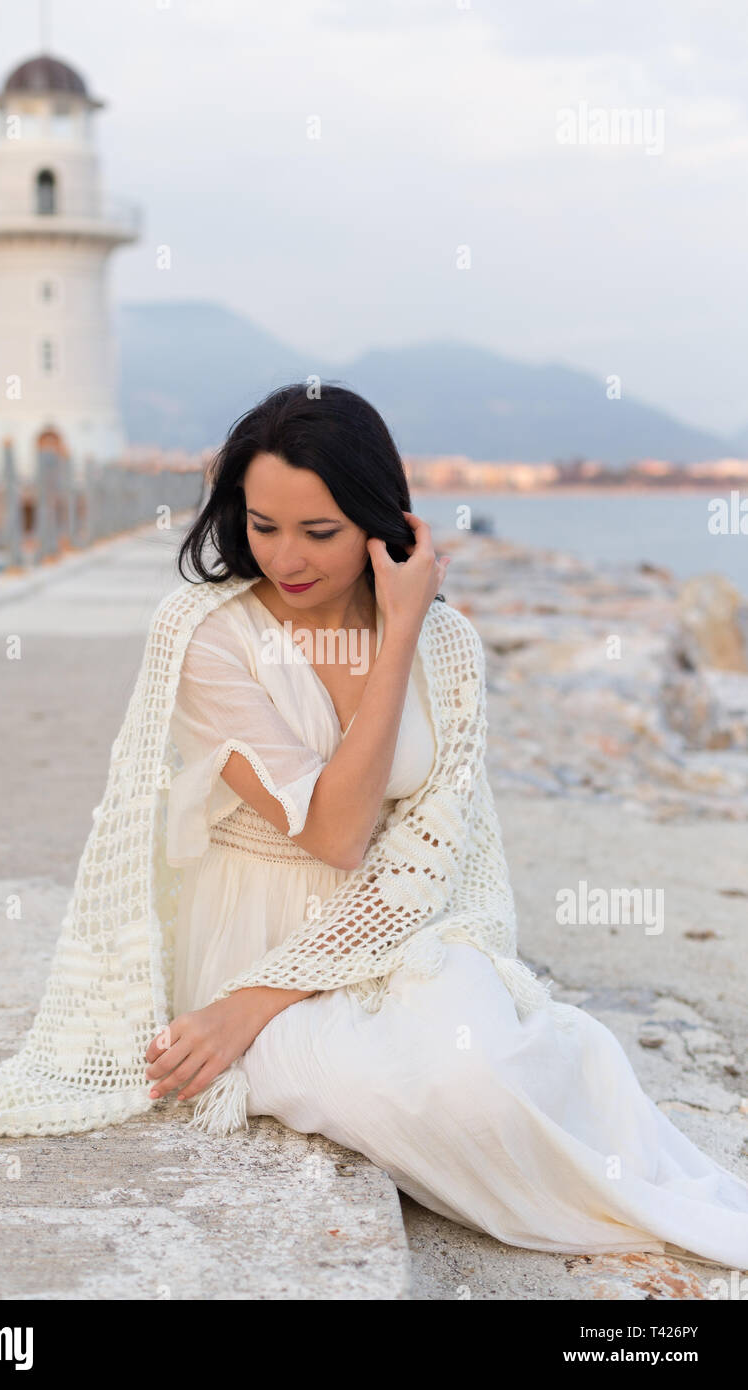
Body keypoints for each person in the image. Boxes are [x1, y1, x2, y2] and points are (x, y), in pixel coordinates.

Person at [142, 382, 748, 1266]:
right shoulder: (207, 637)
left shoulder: (447, 643)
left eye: (320, 532)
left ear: (383, 525)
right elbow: (336, 833)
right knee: (430, 1096)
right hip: (258, 939)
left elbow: (433, 853)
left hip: (407, 920)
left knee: (493, 1074)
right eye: (262, 524)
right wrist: (248, 1002)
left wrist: (406, 627)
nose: (286, 558)